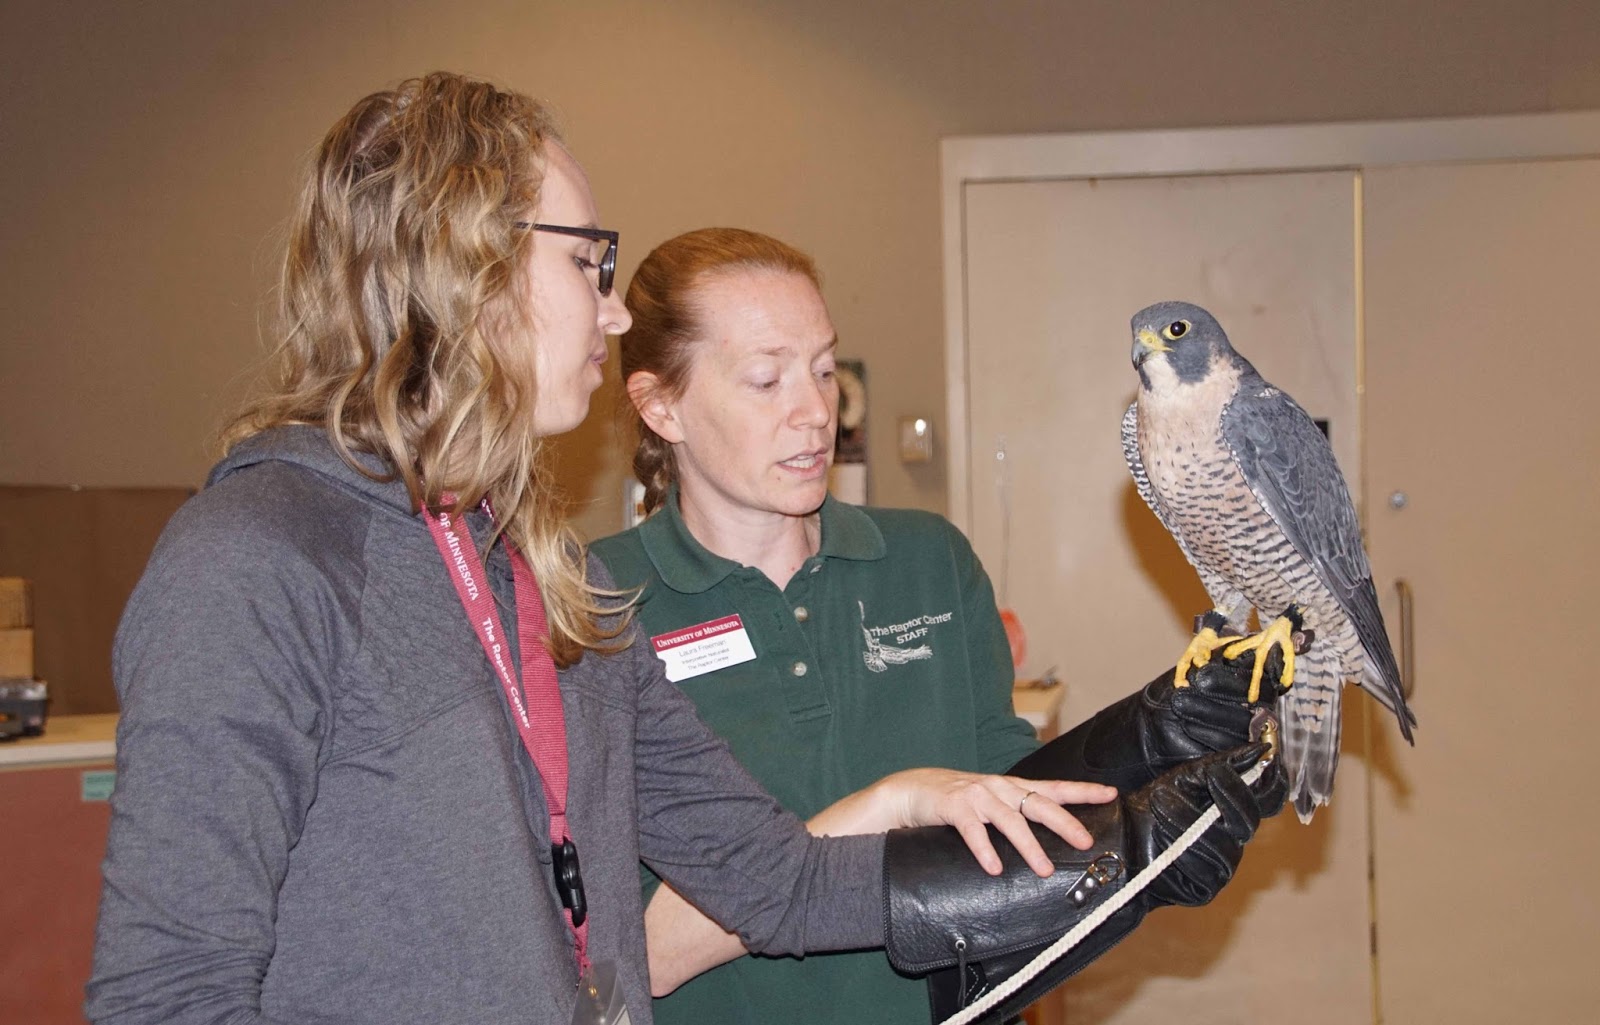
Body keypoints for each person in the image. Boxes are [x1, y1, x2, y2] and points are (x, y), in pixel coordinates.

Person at [87, 75, 1280, 1025]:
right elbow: (166, 993)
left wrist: (1121, 856)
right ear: (464, 259)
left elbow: (779, 880)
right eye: (585, 263)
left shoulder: (533, 577)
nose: (611, 309)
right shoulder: (253, 561)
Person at [593, 227, 1291, 1024]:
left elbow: (1003, 821)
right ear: (661, 406)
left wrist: (1142, 760)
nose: (815, 410)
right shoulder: (594, 605)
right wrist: (892, 803)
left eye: (824, 369)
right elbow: (629, 958)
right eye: (765, 379)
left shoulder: (927, 562)